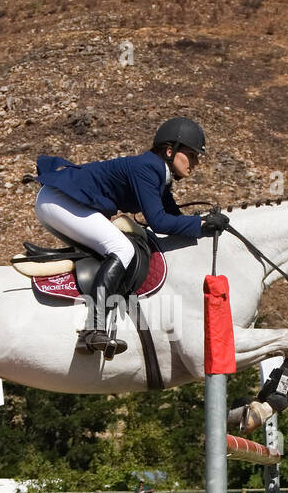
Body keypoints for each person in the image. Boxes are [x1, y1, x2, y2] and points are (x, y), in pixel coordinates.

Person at [32, 117, 230, 357]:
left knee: (111, 248)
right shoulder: (148, 168)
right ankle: (94, 328)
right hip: (58, 199)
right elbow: (159, 221)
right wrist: (199, 224)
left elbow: (173, 217)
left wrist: (203, 223)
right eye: (192, 155)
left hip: (60, 199)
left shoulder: (159, 174)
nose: (196, 162)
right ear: (170, 151)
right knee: (122, 248)